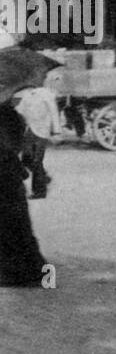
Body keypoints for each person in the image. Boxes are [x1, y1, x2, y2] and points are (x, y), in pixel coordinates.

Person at [0, 92, 46, 285]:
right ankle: (34, 272)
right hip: (11, 175)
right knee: (18, 225)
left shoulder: (5, 115)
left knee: (8, 225)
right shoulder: (11, 114)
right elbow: (18, 141)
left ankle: (17, 273)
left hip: (4, 175)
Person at [16, 77, 61, 199]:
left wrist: (56, 131)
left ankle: (40, 192)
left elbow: (53, 113)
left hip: (42, 131)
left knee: (36, 161)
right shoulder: (28, 95)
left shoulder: (46, 94)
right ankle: (43, 177)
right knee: (26, 158)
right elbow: (20, 111)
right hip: (31, 130)